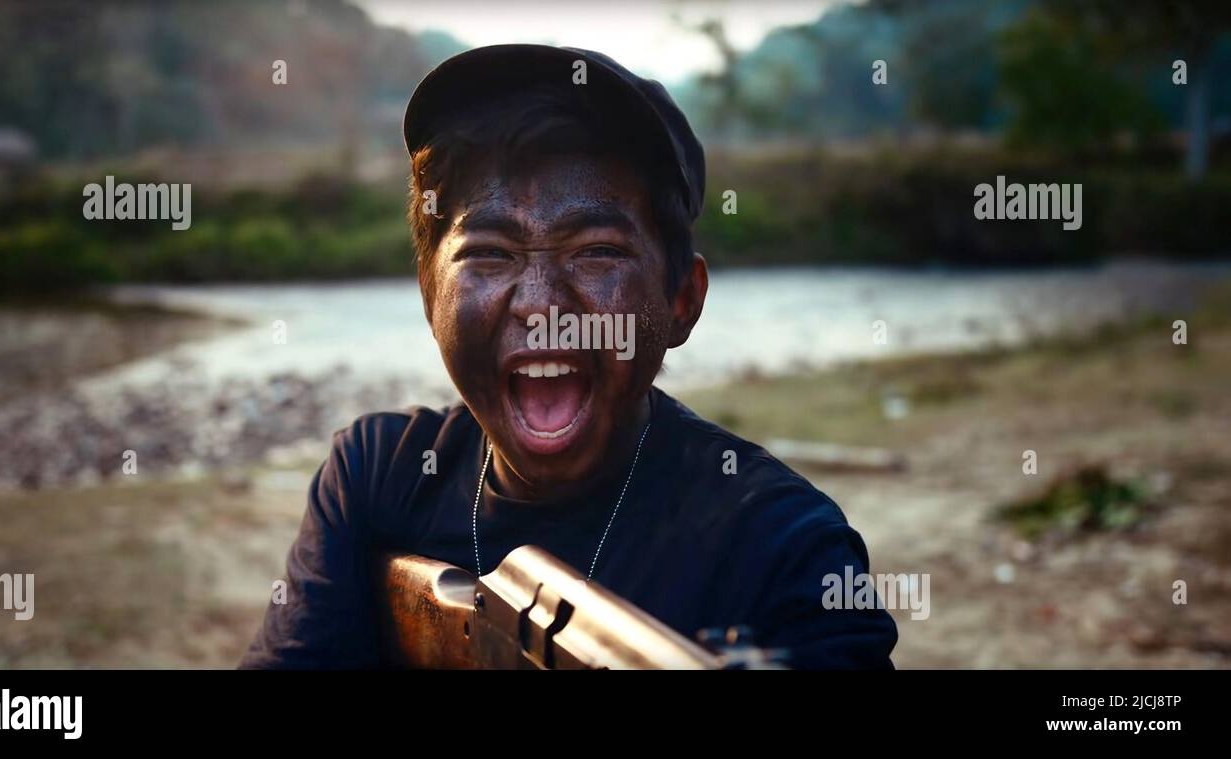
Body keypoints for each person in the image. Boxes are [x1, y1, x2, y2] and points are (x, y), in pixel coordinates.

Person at [239, 44, 897, 669]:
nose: (540, 304)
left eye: (597, 251)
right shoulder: (379, 477)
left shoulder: (786, 546)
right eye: (489, 254)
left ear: (682, 300)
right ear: (428, 290)